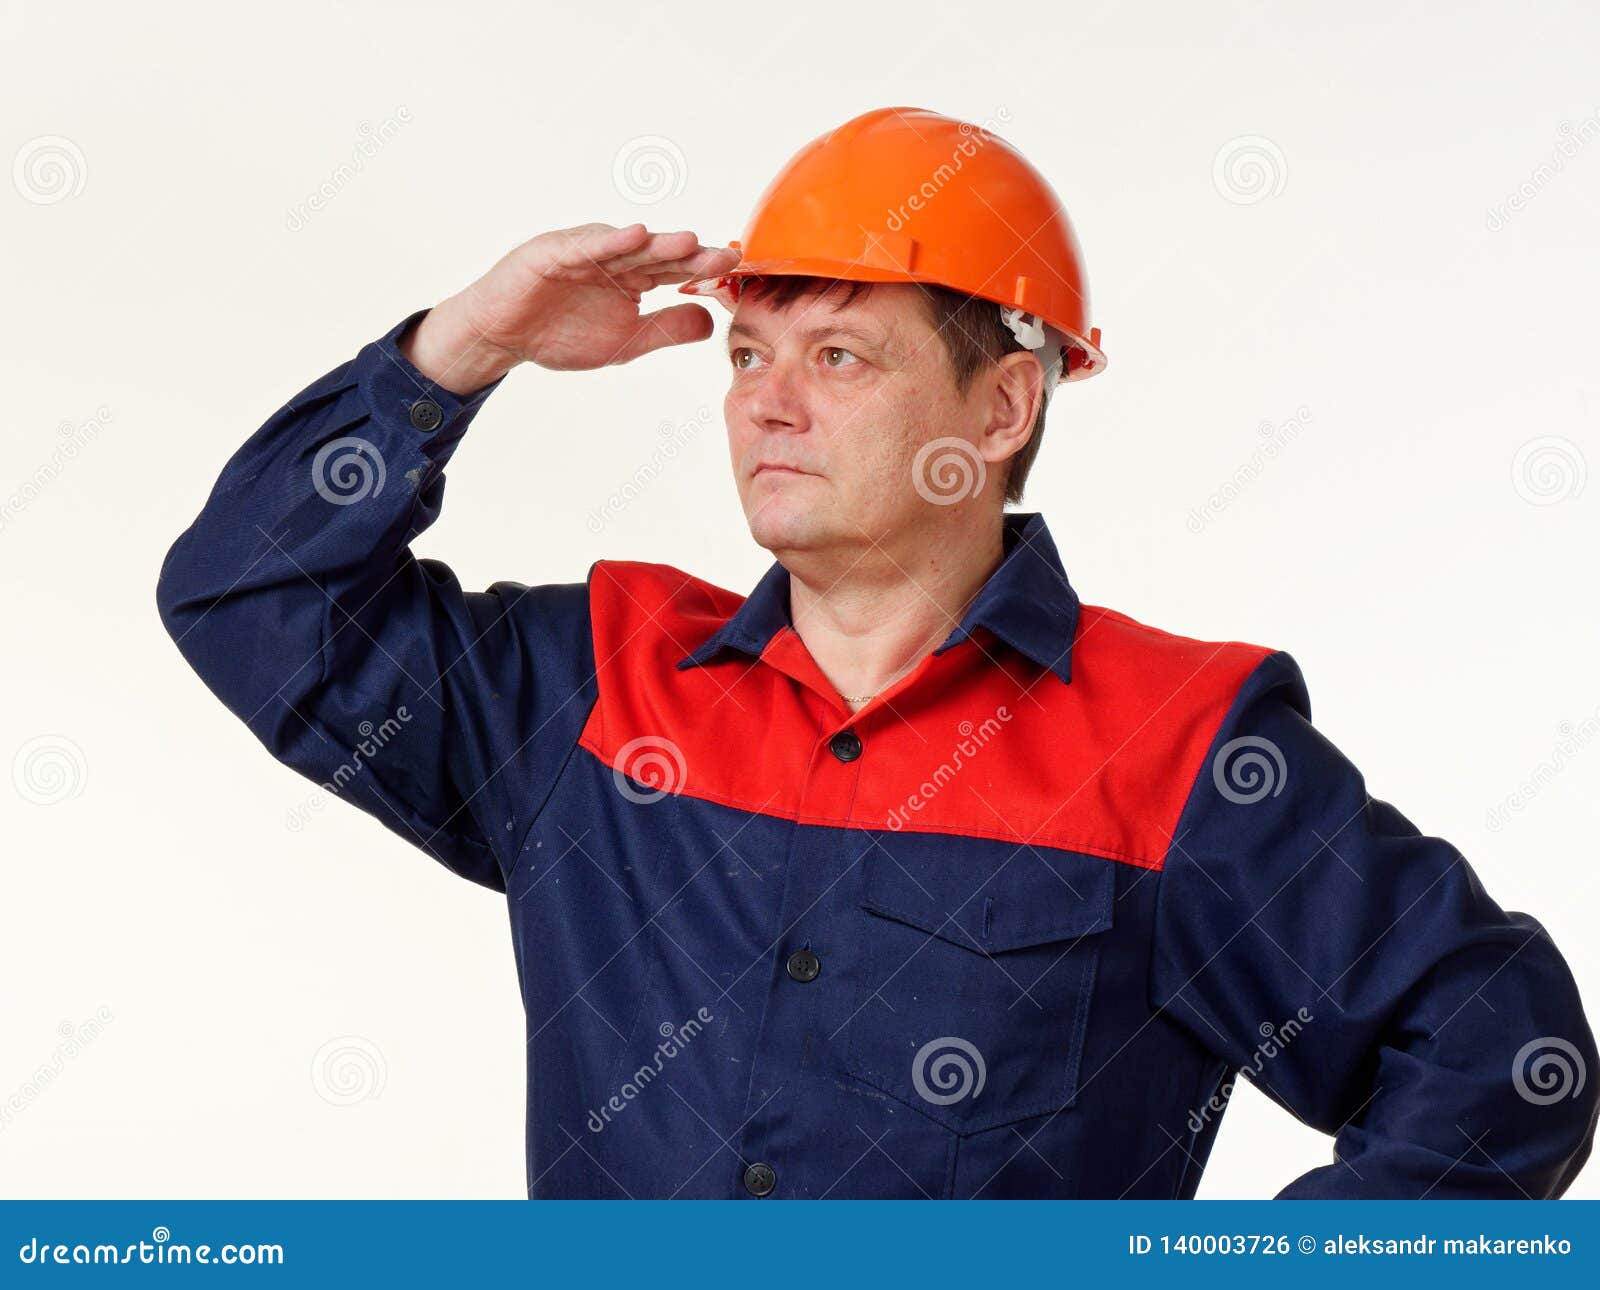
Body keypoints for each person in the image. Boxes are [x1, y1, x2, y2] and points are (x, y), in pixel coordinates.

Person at [156, 107, 1598, 1199]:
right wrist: (455, 351)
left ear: (1001, 407)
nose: (766, 403)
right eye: (744, 357)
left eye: (838, 356)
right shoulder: (592, 692)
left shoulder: (1177, 744)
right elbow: (247, 598)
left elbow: (1504, 1061)